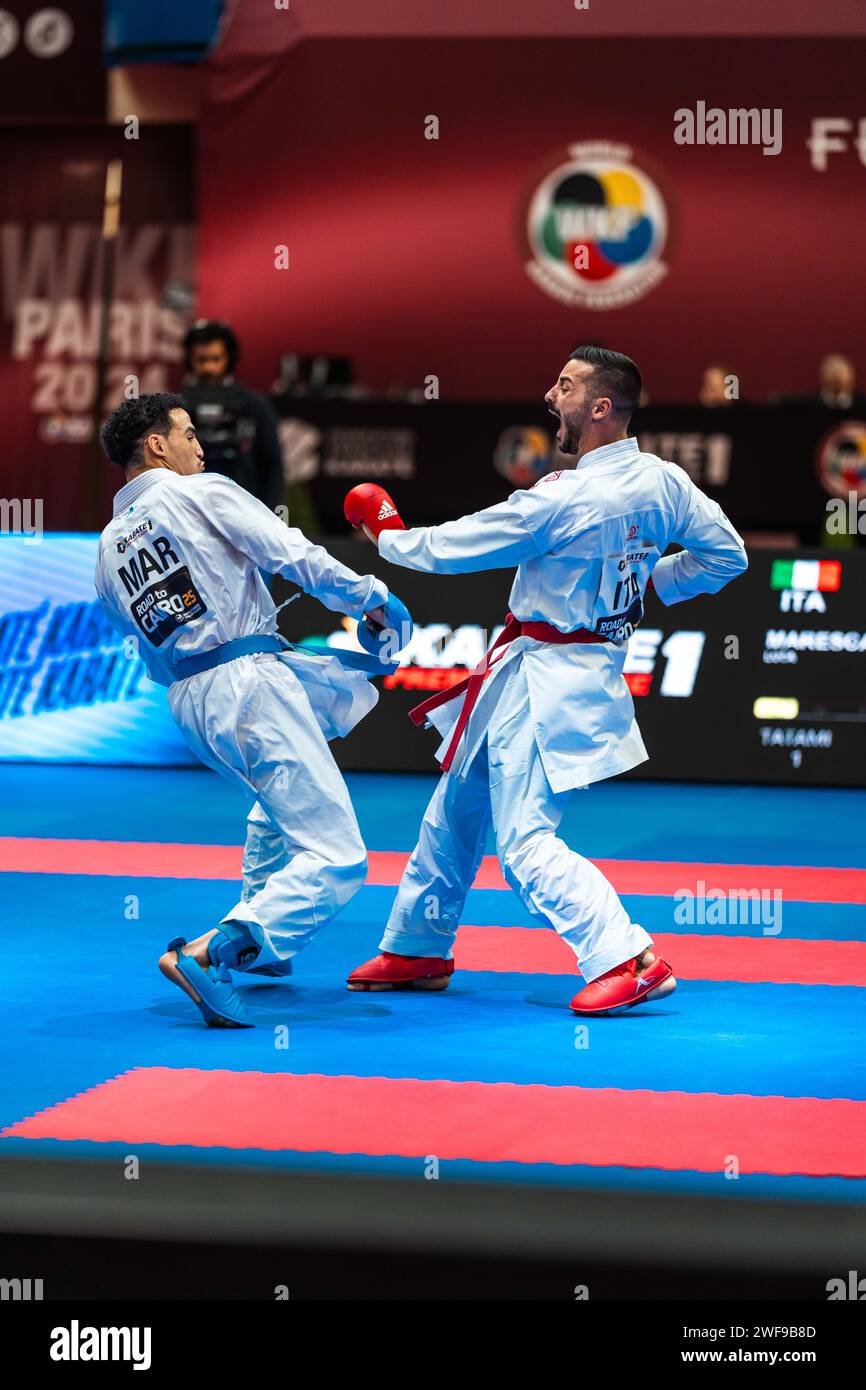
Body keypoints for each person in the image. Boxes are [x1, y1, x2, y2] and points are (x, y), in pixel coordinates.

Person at [344, 346, 748, 1017]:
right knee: (457, 807)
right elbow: (726, 555)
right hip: (552, 668)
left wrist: (389, 537)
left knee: (527, 840)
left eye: (563, 385)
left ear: (599, 407)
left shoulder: (564, 497)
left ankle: (628, 957)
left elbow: (457, 546)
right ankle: (418, 944)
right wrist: (653, 582)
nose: (547, 395)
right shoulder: (664, 482)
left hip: (549, 681)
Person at [94, 392, 397, 1029]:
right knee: (338, 857)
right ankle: (212, 951)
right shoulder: (200, 491)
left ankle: (261, 943)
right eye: (186, 434)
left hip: (190, 704)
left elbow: (144, 639)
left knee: (273, 801)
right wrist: (370, 593)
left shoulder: (109, 547)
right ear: (157, 445)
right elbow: (291, 553)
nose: (199, 448)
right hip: (246, 685)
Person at [181, 319, 286, 511]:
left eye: (215, 359)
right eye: (201, 360)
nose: (208, 368)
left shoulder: (255, 406)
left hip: (244, 510)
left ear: (229, 358)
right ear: (189, 359)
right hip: (188, 511)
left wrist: (268, 514)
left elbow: (272, 465)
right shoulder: (175, 408)